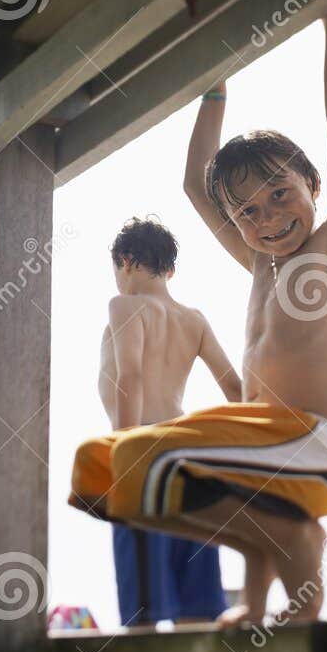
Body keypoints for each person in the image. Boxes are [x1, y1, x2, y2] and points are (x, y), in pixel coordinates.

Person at [70, 5, 327, 628]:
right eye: (246, 214)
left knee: (149, 460)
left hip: (318, 445)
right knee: (103, 469)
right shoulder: (261, 264)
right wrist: (214, 83)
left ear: (313, 184)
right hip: (264, 456)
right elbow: (193, 181)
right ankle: (259, 596)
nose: (266, 220)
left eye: (279, 195)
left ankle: (299, 567)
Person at [99, 216, 241, 627]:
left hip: (145, 457)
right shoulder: (194, 319)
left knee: (143, 609)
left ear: (125, 262)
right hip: (194, 463)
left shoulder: (124, 305)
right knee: (197, 606)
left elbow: (132, 375)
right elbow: (233, 385)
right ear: (170, 270)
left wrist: (123, 449)